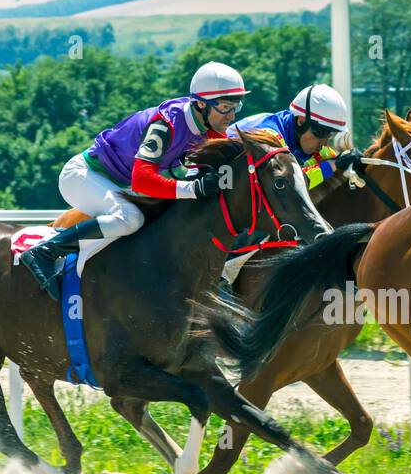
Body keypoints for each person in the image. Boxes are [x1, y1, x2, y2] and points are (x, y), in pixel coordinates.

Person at [20, 61, 249, 298]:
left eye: (236, 106)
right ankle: (45, 252)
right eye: (224, 107)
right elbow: (142, 180)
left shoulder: (208, 127)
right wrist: (192, 188)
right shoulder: (165, 124)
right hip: (83, 176)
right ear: (201, 103)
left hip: (117, 185)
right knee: (130, 218)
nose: (231, 115)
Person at [231, 83, 364, 189]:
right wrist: (333, 165)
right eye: (321, 132)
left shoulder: (300, 134)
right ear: (301, 121)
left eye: (330, 134)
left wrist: (348, 159)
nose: (323, 143)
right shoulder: (270, 138)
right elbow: (287, 185)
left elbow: (333, 159)